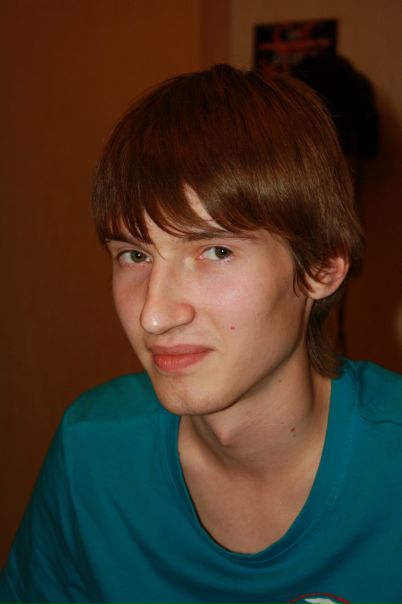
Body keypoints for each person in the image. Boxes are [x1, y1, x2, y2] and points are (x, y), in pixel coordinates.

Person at [0, 64, 401, 604]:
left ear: (322, 268)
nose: (154, 315)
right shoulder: (91, 453)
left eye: (215, 251)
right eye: (134, 255)